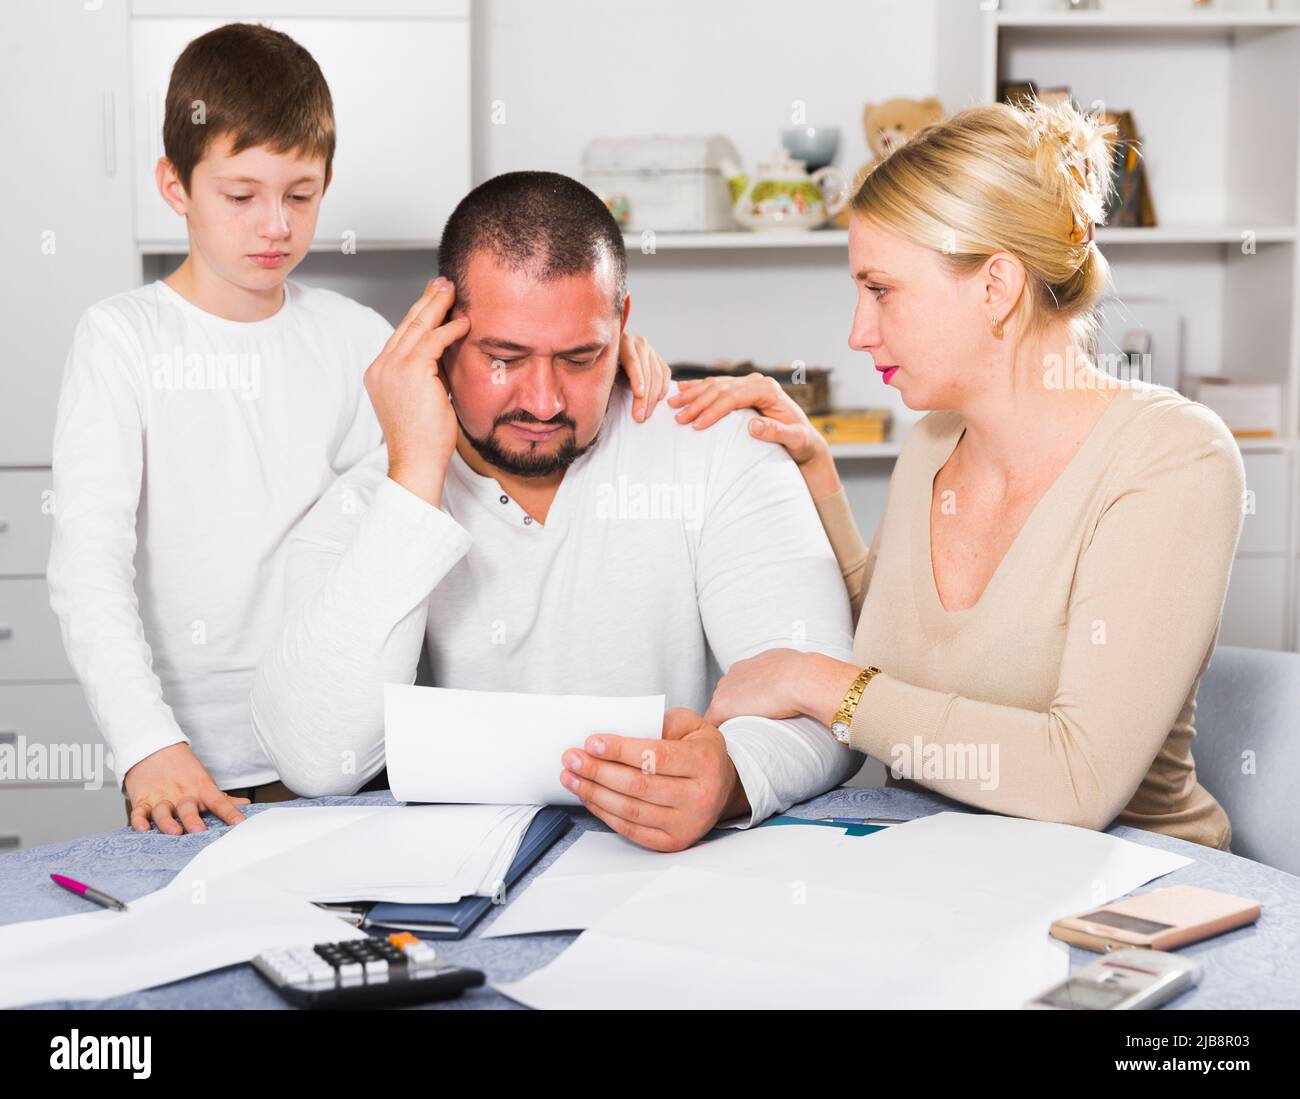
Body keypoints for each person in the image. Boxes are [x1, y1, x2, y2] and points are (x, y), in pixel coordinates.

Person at [47, 25, 669, 837]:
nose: (275, 225)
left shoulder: (360, 339)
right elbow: (87, 566)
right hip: (187, 761)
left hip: (351, 756)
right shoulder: (121, 338)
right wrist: (145, 743)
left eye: (301, 195)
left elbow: (499, 403)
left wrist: (613, 358)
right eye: (242, 196)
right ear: (175, 186)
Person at [670, 100, 1244, 850]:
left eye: (881, 290)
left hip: (1136, 898)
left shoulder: (1174, 458)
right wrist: (814, 470)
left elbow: (1079, 780)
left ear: (995, 287)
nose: (857, 331)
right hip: (951, 869)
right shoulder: (934, 443)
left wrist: (811, 681)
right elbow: (907, 655)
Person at [251, 171, 863, 852]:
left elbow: (830, 705)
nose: (543, 401)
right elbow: (315, 757)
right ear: (441, 332)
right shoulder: (376, 496)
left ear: (623, 324)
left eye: (580, 357)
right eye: (504, 358)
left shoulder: (722, 450)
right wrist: (417, 474)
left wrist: (734, 774)